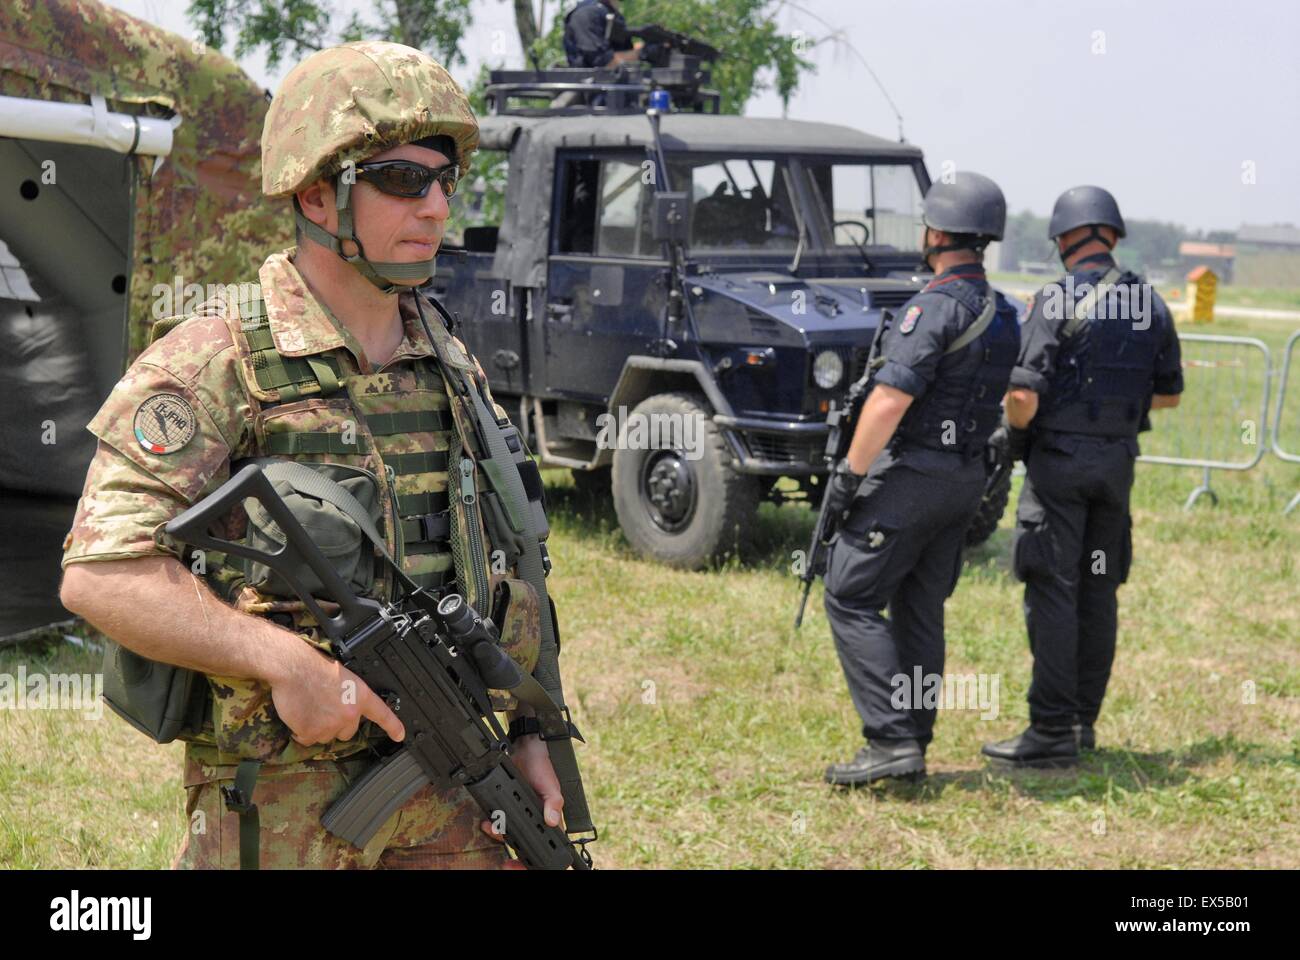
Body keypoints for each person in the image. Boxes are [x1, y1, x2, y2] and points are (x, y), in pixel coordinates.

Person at [59, 41, 590, 869]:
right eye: (403, 181)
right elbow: (100, 574)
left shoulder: (450, 366)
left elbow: (522, 565)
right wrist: (284, 662)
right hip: (282, 804)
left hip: (454, 780)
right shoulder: (216, 359)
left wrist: (532, 730)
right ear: (316, 192)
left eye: (445, 181)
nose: (436, 210)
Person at [821, 172, 1021, 786]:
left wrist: (848, 479)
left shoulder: (933, 307)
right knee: (920, 607)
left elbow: (888, 402)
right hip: (965, 480)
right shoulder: (1004, 311)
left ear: (936, 231)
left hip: (914, 476)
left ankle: (890, 739)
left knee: (849, 595)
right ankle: (915, 736)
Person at [982, 186, 1182, 768]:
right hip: (1115, 470)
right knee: (1098, 593)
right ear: (1112, 235)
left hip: (1059, 470)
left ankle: (1048, 730)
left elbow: (1022, 393)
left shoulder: (1054, 300)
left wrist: (1016, 439)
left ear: (1066, 239)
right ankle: (1081, 724)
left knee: (1052, 591)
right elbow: (1168, 395)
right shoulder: (1151, 302)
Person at [563, 0, 642, 68]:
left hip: (618, 82)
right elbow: (601, 61)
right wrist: (643, 53)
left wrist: (645, 47)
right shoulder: (587, 12)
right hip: (590, 82)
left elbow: (623, 52)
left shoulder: (610, 13)